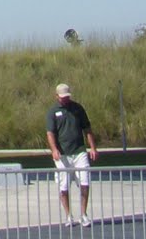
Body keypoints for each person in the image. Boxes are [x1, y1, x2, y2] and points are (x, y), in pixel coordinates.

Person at [46, 83, 98, 226]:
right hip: (62, 155)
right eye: (62, 97)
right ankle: (69, 215)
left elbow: (87, 128)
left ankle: (84, 214)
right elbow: (50, 133)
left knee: (85, 183)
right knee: (63, 186)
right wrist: (54, 149)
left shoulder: (78, 108)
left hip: (79, 151)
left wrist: (93, 147)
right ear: (56, 96)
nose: (65, 99)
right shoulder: (52, 112)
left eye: (67, 96)